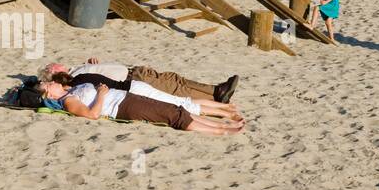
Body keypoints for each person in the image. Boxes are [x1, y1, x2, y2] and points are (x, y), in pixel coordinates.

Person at [37, 77, 245, 135]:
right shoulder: (68, 101)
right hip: (123, 107)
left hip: (127, 98)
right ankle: (219, 130)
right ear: (49, 93)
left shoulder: (71, 91)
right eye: (49, 84)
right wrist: (101, 94)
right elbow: (92, 115)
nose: (53, 82)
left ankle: (221, 125)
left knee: (178, 109)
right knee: (174, 115)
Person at [39, 59, 240, 105]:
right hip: (131, 79)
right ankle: (215, 99)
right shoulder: (76, 77)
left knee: (175, 79)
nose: (56, 63)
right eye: (52, 66)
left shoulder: (78, 68)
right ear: (54, 73)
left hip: (132, 70)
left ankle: (215, 89)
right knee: (174, 89)